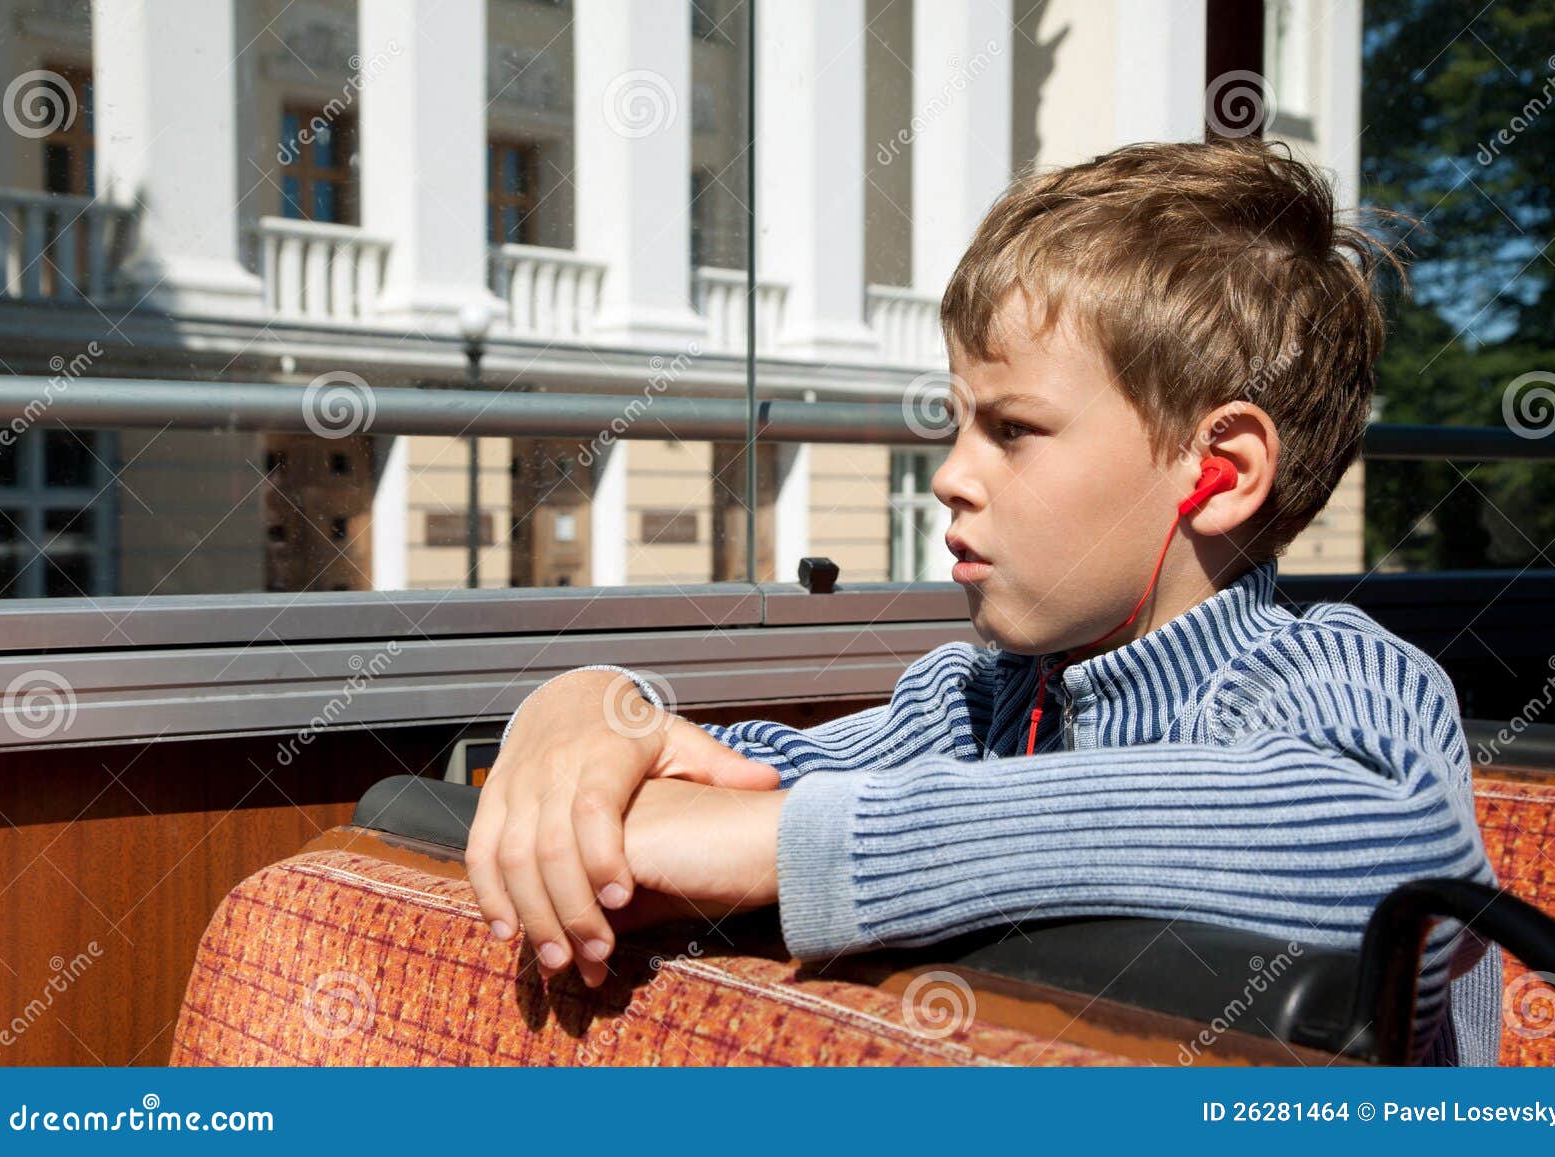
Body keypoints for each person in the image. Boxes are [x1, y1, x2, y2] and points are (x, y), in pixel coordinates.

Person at [466, 137, 1501, 1065]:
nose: (950, 476)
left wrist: (802, 847)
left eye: (1011, 428)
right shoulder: (973, 702)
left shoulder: (1338, 674)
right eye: (959, 423)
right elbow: (733, 776)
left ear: (1217, 472)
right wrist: (587, 706)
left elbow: (1397, 858)